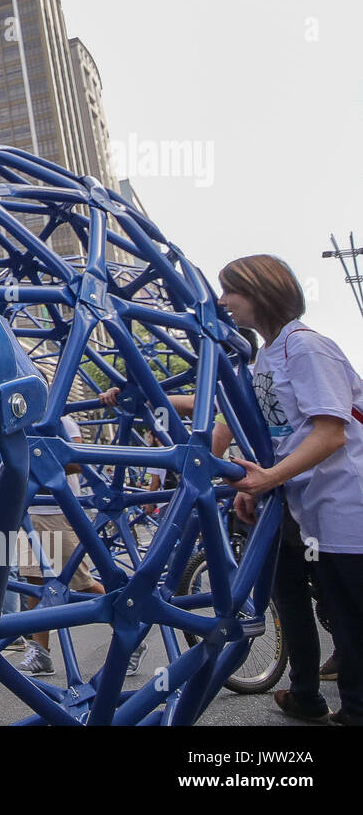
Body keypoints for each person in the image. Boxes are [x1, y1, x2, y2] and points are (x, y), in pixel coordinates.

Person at [220, 254, 363, 726]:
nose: (224, 302)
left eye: (231, 291)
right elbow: (280, 434)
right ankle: (306, 696)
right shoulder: (267, 354)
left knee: (349, 612)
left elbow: (330, 432)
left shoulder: (307, 348)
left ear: (260, 293)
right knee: (297, 598)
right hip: (304, 502)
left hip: (345, 501)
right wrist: (261, 482)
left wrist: (266, 479)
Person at [15, 414, 108, 677]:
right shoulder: (19, 423)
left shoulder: (62, 422)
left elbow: (77, 460)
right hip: (32, 511)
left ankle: (130, 625)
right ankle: (40, 653)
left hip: (59, 511)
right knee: (35, 583)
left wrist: (35, 460)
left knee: (81, 583)